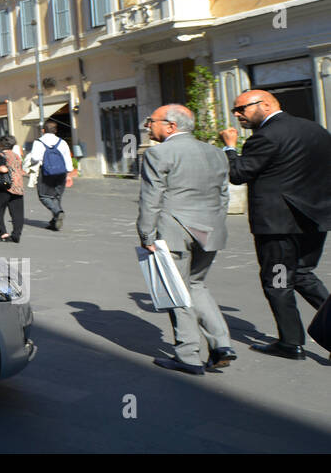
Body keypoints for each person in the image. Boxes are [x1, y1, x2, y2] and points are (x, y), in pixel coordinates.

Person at [221, 89, 331, 360]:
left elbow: (238, 174)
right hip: (314, 219)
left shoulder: (265, 136)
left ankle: (290, 342)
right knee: (304, 275)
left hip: (279, 226)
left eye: (241, 109)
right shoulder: (316, 130)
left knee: (278, 281)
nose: (237, 115)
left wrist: (229, 148)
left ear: (266, 105)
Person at [137, 104, 234, 375]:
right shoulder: (216, 152)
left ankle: (188, 354)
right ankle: (222, 344)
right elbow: (223, 195)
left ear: (170, 125)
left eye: (151, 121)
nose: (148, 126)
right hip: (211, 228)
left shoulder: (158, 153)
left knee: (175, 289)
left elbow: (151, 199)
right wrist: (214, 221)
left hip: (174, 230)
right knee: (196, 284)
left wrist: (146, 234)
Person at [26, 120, 74, 230]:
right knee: (56, 196)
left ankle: (57, 212)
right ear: (55, 130)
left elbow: (35, 158)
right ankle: (54, 222)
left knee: (44, 196)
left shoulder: (39, 142)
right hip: (61, 173)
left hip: (46, 173)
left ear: (43, 130)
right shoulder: (62, 142)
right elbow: (68, 160)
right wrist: (69, 174)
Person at [0, 135, 25, 243]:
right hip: (18, 187)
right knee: (17, 212)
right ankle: (16, 234)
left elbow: (3, 169)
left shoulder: (1, 155)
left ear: (1, 144)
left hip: (5, 186)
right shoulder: (17, 156)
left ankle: (3, 232)